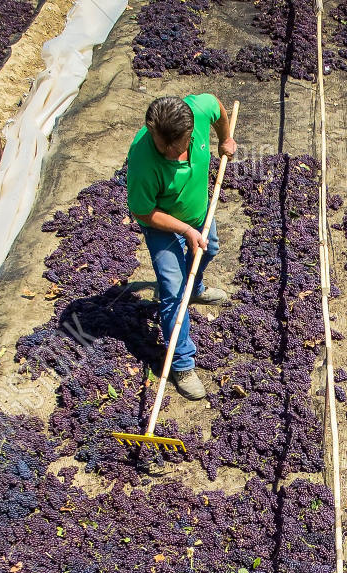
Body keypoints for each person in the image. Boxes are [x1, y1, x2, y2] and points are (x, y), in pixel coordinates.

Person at [126, 94, 236, 401]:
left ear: (188, 134)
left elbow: (217, 105)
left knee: (209, 248)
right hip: (162, 225)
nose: (168, 153)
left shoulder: (197, 112)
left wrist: (225, 139)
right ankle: (182, 364)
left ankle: (196, 287)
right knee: (173, 293)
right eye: (162, 147)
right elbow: (143, 212)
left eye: (174, 148)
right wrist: (185, 230)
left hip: (199, 212)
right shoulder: (142, 160)